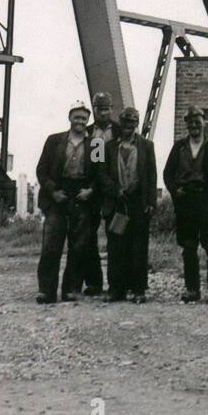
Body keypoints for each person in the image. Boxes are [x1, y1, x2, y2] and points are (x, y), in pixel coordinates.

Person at [163, 106, 208, 303]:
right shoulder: (179, 147)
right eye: (190, 121)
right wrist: (176, 192)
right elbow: (168, 174)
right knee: (189, 247)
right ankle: (192, 290)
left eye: (197, 121)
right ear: (186, 125)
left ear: (204, 122)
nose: (194, 125)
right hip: (186, 204)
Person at [35, 104, 98, 303]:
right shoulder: (54, 141)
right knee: (51, 245)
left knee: (79, 246)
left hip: (81, 195)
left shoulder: (96, 144)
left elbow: (101, 173)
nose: (80, 122)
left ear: (88, 121)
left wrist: (91, 190)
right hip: (58, 195)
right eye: (77, 117)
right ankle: (46, 290)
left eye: (84, 119)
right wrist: (53, 192)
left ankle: (71, 289)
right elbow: (42, 171)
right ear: (70, 118)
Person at [99, 106, 157, 302]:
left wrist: (151, 202)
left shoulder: (147, 146)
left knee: (138, 247)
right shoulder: (106, 147)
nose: (128, 126)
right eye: (125, 122)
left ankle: (138, 290)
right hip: (116, 204)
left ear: (136, 124)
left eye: (132, 123)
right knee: (116, 247)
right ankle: (116, 289)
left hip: (138, 204)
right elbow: (101, 174)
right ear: (120, 123)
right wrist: (116, 190)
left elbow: (151, 174)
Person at [84, 92, 119, 295]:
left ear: (111, 109)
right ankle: (94, 282)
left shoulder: (119, 130)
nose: (103, 113)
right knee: (89, 238)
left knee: (114, 236)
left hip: (111, 191)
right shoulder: (88, 132)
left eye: (107, 109)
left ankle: (117, 283)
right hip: (92, 191)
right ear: (94, 110)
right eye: (99, 109)